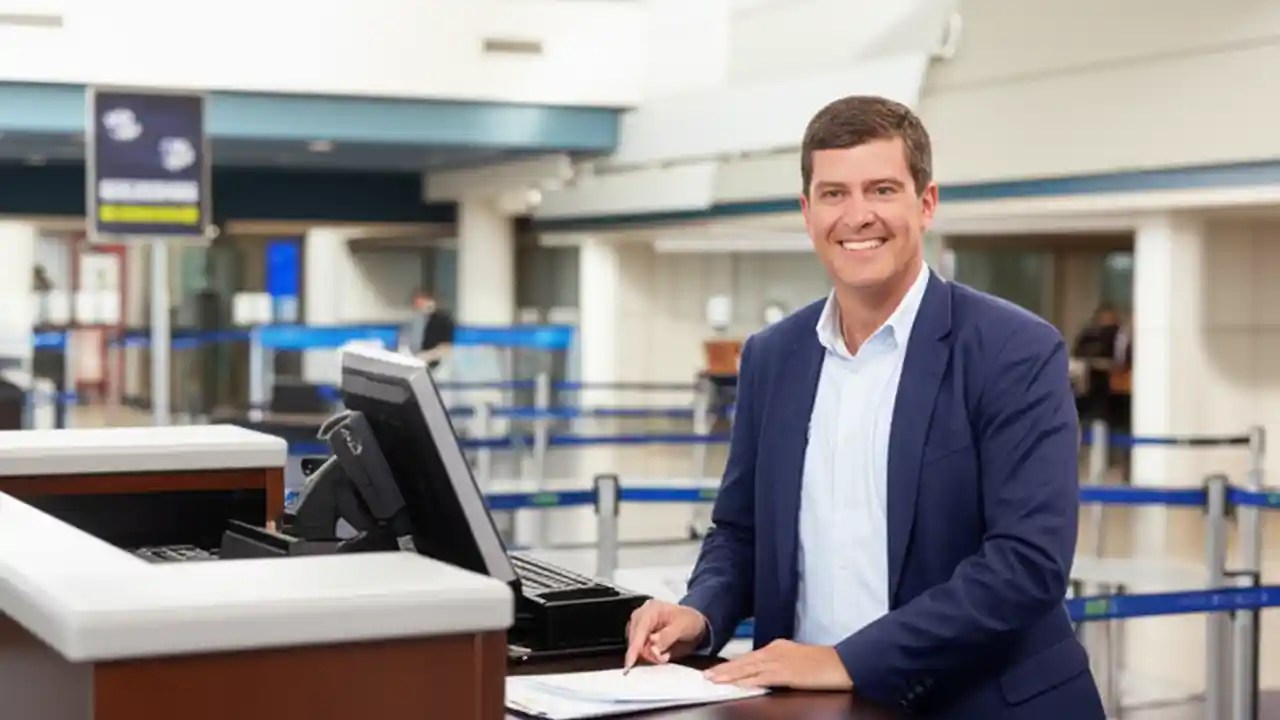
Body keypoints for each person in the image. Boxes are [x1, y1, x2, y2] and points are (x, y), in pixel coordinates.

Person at [623, 95, 1104, 718]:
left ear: (925, 203)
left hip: (983, 703)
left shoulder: (1015, 351)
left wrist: (848, 659)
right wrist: (700, 610)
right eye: (833, 194)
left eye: (881, 189)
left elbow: (1026, 564)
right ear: (806, 211)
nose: (857, 216)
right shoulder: (772, 356)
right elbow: (741, 531)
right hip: (813, 706)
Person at [404, 289, 455, 370]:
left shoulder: (443, 320)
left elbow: (445, 348)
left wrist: (423, 357)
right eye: (416, 304)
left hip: (436, 364)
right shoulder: (415, 321)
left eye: (421, 303)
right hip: (417, 362)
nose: (418, 306)